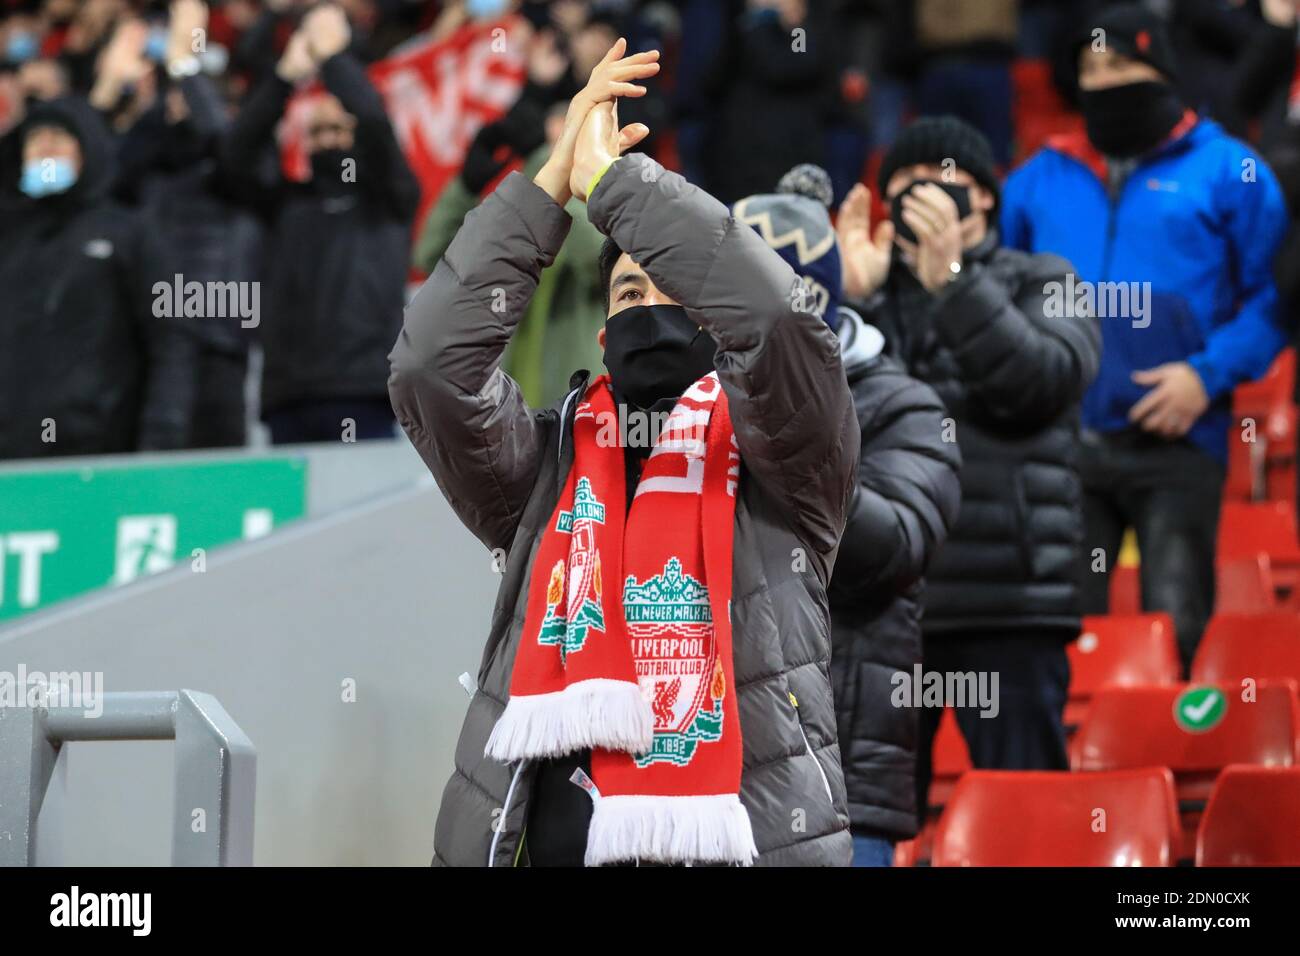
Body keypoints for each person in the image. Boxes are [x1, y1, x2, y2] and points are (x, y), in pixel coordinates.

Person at [389, 39, 860, 866]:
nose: (651, 307)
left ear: (712, 320)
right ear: (604, 334)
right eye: (630, 292)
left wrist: (614, 185)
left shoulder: (785, 462)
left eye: (674, 291)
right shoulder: (542, 469)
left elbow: (780, 324)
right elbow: (431, 367)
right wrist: (548, 186)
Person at [1002, 6, 1289, 672]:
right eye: (1092, 68)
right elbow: (998, 287)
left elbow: (1277, 299)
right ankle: (1075, 777)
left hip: (1179, 440)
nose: (1106, 80)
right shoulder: (1039, 177)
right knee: (1065, 641)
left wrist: (1206, 375)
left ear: (1161, 70)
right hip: (1063, 444)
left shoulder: (1229, 171)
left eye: (1123, 64)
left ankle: (1163, 758)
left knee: (1177, 622)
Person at [837, 115, 1100, 825]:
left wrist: (953, 283)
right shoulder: (870, 299)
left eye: (941, 177)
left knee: (1031, 821)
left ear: (984, 196)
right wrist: (849, 303)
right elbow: (825, 424)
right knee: (875, 822)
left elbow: (1043, 382)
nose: (919, 190)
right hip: (889, 606)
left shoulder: (1046, 278)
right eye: (902, 183)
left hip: (1010, 604)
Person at [735, 163, 962, 866]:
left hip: (839, 783)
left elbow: (888, 550)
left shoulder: (903, 406)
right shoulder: (691, 402)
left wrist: (784, 434)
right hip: (697, 775)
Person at [222, 2, 419, 444]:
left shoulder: (389, 197)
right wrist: (284, 77)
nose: (328, 141)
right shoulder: (285, 202)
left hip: (362, 392)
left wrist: (333, 59)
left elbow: (373, 118)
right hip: (286, 398)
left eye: (338, 130)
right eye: (317, 133)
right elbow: (236, 154)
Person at [0, 94, 192, 460]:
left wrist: (163, 436)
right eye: (36, 141)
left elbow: (171, 339)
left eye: (59, 140)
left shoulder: (131, 231)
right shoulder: (9, 239)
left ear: (87, 150)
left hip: (100, 453)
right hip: (11, 460)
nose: (46, 151)